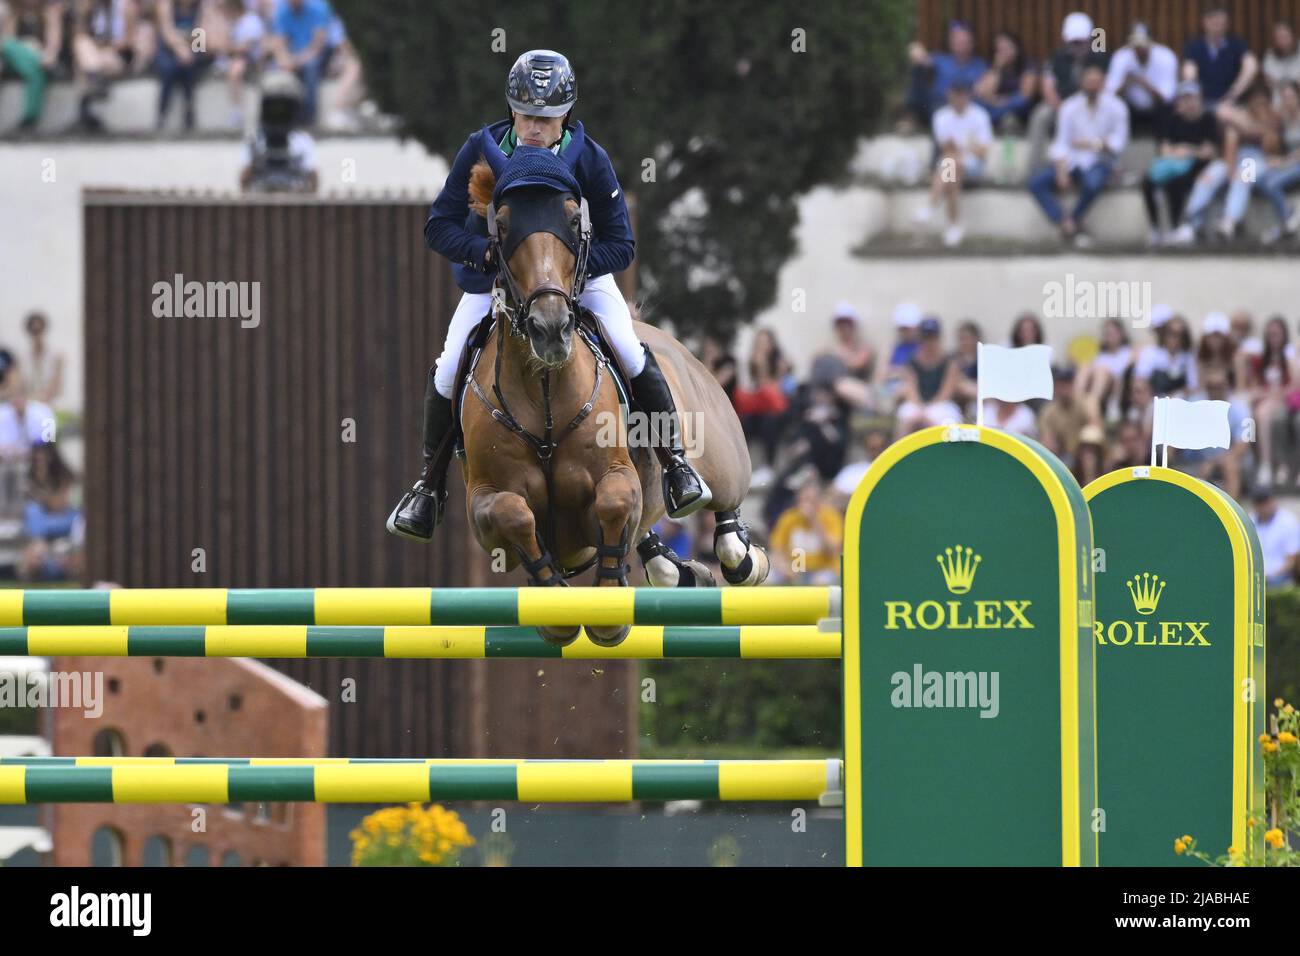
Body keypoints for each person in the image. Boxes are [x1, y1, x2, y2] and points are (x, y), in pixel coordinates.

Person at [388, 50, 707, 541]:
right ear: (512, 109)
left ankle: (677, 464)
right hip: (498, 282)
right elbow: (438, 227)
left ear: (566, 115)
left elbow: (621, 245)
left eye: (546, 117)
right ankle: (428, 489)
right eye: (527, 114)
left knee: (631, 349)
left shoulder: (590, 158)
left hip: (578, 282)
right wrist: (486, 255)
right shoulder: (482, 147)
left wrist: (567, 275)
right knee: (450, 365)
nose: (535, 127)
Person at [1027, 63, 1129, 247]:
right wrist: (1061, 170)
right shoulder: (1070, 106)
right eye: (1089, 82)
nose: (1092, 86)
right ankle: (1064, 222)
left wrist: (1092, 144)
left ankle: (1073, 220)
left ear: (1103, 83)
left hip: (1100, 160)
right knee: (1036, 183)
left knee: (1092, 183)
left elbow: (1117, 143)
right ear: (1082, 83)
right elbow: (1061, 143)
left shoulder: (1117, 107)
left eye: (1096, 82)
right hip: (1072, 161)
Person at [1174, 84, 1282, 243]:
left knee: (1243, 178)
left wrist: (1260, 127)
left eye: (1263, 101)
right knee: (1208, 177)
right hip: (1234, 158)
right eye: (1255, 100)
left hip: (1257, 160)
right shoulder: (1239, 116)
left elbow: (1271, 148)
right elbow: (1230, 143)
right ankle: (1190, 221)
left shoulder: (1274, 118)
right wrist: (1230, 169)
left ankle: (1228, 223)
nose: (1259, 104)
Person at [913, 78, 991, 247]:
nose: (958, 99)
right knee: (951, 172)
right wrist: (969, 146)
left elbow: (983, 153)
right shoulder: (941, 117)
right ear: (949, 94)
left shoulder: (980, 115)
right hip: (952, 164)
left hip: (974, 167)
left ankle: (932, 205)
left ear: (968, 95)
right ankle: (954, 227)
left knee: (949, 164)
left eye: (962, 94)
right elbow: (947, 148)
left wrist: (963, 148)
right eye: (956, 94)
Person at [1027, 12, 1109, 170]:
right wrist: (1061, 109)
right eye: (1074, 42)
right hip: (1061, 105)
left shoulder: (1100, 58)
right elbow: (1047, 85)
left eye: (1081, 42)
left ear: (1090, 40)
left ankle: (1102, 168)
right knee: (1040, 116)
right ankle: (1034, 169)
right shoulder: (1056, 57)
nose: (1077, 46)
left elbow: (1104, 87)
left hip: (1091, 105)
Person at [1141, 80, 1220, 245]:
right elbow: (1164, 148)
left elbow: (1208, 153)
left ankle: (1176, 227)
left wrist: (1187, 150)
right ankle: (1155, 228)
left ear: (1199, 98)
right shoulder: (1173, 119)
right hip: (1174, 165)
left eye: (1191, 98)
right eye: (1184, 98)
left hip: (1198, 168)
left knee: (1176, 184)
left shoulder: (1208, 119)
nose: (1188, 102)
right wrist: (1179, 151)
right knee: (1147, 183)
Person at [239, 70, 317, 192]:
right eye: (272, 107)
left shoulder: (303, 141)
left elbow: (313, 178)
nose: (278, 113)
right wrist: (254, 163)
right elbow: (244, 182)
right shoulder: (254, 142)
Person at [904, 19, 986, 128]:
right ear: (951, 42)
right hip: (939, 104)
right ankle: (911, 118)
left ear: (972, 43)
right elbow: (918, 56)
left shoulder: (979, 64)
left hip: (966, 106)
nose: (960, 44)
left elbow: (982, 89)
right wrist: (915, 51)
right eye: (956, 40)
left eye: (963, 41)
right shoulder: (940, 59)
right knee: (917, 71)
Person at [1, 0, 64, 133]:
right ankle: (30, 119)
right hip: (14, 60)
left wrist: (41, 53)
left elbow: (52, 46)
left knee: (36, 72)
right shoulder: (14, 11)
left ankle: (29, 119)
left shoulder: (49, 12)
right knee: (9, 46)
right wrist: (27, 46)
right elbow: (7, 42)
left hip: (38, 61)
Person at [1105, 22, 1177, 135]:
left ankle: (1164, 141)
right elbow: (1109, 95)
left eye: (1142, 44)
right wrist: (1125, 84)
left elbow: (1167, 97)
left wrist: (1145, 84)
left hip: (1156, 109)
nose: (1139, 49)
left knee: (1168, 109)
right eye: (1136, 45)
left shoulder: (1166, 56)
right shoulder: (1120, 57)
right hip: (1131, 110)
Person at [767, 477, 843, 586]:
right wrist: (783, 567)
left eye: (811, 501)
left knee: (821, 582)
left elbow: (833, 550)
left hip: (823, 568)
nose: (806, 506)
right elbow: (777, 549)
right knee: (768, 578)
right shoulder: (789, 518)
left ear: (819, 501)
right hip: (796, 568)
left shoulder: (831, 517)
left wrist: (814, 521)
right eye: (803, 500)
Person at [894, 317, 961, 436]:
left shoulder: (950, 361)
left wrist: (928, 412)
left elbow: (947, 391)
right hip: (917, 403)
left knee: (947, 419)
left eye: (933, 337)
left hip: (941, 403)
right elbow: (911, 389)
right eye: (926, 337)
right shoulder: (912, 361)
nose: (929, 342)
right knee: (906, 415)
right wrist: (920, 409)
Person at [269, 0, 331, 125]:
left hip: (314, 55)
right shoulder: (282, 9)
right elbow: (279, 42)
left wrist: (296, 61)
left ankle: (309, 118)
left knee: (310, 68)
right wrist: (284, 59)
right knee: (275, 70)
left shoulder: (319, 7)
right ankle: (280, 117)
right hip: (293, 55)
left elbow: (318, 46)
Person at [1182, 6, 1258, 107]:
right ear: (1205, 23)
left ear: (1226, 24)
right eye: (1214, 22)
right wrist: (1196, 98)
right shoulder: (1194, 46)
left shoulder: (1236, 44)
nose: (1217, 26)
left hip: (1233, 102)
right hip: (1203, 103)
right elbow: (1189, 73)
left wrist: (1233, 94)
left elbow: (1251, 66)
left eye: (1221, 22)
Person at [1258, 80, 1300, 244]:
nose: (1287, 101)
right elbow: (1273, 145)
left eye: (1290, 97)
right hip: (1290, 163)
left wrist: (1284, 162)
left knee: (1272, 183)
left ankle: (1287, 223)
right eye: (1284, 98)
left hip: (1294, 163)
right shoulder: (1283, 120)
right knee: (1259, 178)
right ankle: (1289, 219)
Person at [154, 0, 207, 130]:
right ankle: (162, 112)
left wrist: (188, 49)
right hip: (169, 50)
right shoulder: (166, 5)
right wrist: (181, 48)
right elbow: (167, 33)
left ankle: (189, 110)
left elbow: (200, 37)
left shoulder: (201, 7)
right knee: (169, 69)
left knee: (189, 66)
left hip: (192, 50)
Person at [974, 30, 1036, 130]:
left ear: (1016, 48)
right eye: (1000, 49)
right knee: (976, 102)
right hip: (995, 105)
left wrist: (1003, 101)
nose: (1004, 52)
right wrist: (997, 68)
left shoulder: (1027, 65)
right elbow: (982, 92)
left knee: (1020, 101)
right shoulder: (992, 66)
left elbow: (1026, 94)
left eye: (1007, 47)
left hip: (1016, 107)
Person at [1250, 485, 1300, 587]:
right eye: (1261, 503)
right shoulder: (1249, 521)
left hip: (1280, 578)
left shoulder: (1289, 522)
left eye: (1267, 501)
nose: (1265, 506)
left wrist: (1269, 577)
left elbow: (1292, 560)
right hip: (1253, 577)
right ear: (1255, 505)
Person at [22, 310, 64, 406]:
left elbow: (57, 384)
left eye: (39, 330)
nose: (37, 335)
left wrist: (44, 397)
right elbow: (22, 385)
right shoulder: (23, 358)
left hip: (52, 405)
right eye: (34, 331)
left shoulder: (56, 355)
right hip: (30, 406)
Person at [1264, 20, 1300, 99]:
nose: (1283, 40)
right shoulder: (1270, 55)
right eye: (1279, 37)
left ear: (1293, 36)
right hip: (1280, 99)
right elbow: (1270, 81)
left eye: (1285, 36)